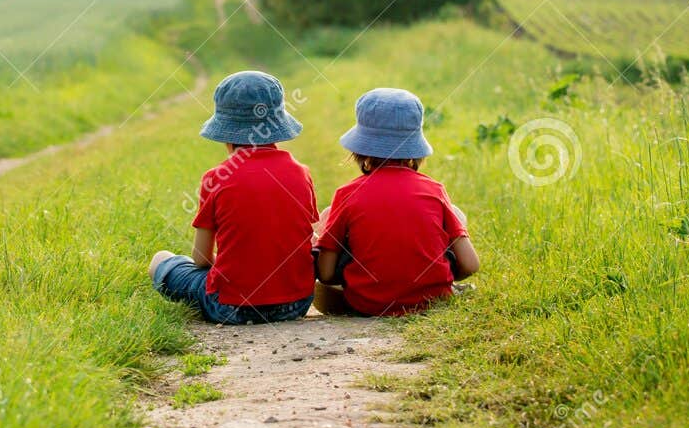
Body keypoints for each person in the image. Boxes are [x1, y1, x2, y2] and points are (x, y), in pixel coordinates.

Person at [149, 70, 317, 324]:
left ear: (226, 134)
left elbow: (201, 258)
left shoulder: (216, 178)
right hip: (297, 304)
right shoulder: (301, 173)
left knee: (162, 260)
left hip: (230, 308)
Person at [313, 87, 480, 316]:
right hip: (433, 300)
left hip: (367, 304)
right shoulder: (434, 190)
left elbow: (326, 273)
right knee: (455, 214)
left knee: (327, 216)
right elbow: (471, 265)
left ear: (359, 149)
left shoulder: (347, 193)